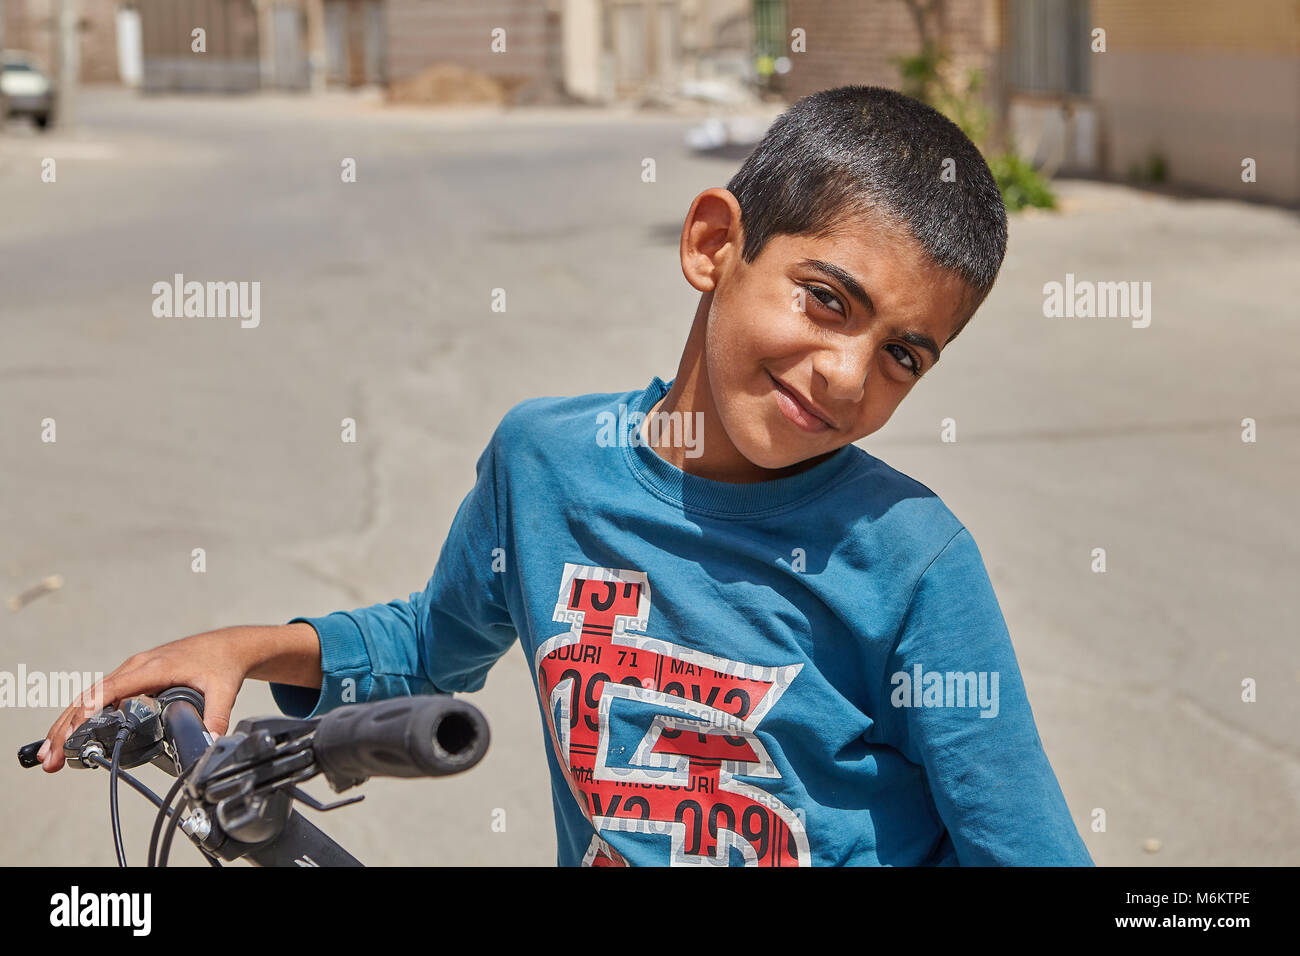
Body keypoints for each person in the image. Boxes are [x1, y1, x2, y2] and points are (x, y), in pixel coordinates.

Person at [38, 85, 1093, 866]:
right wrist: (245, 645)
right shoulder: (544, 463)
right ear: (713, 242)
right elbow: (427, 649)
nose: (848, 374)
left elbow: (1020, 845)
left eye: (905, 353)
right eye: (826, 299)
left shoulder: (910, 558)